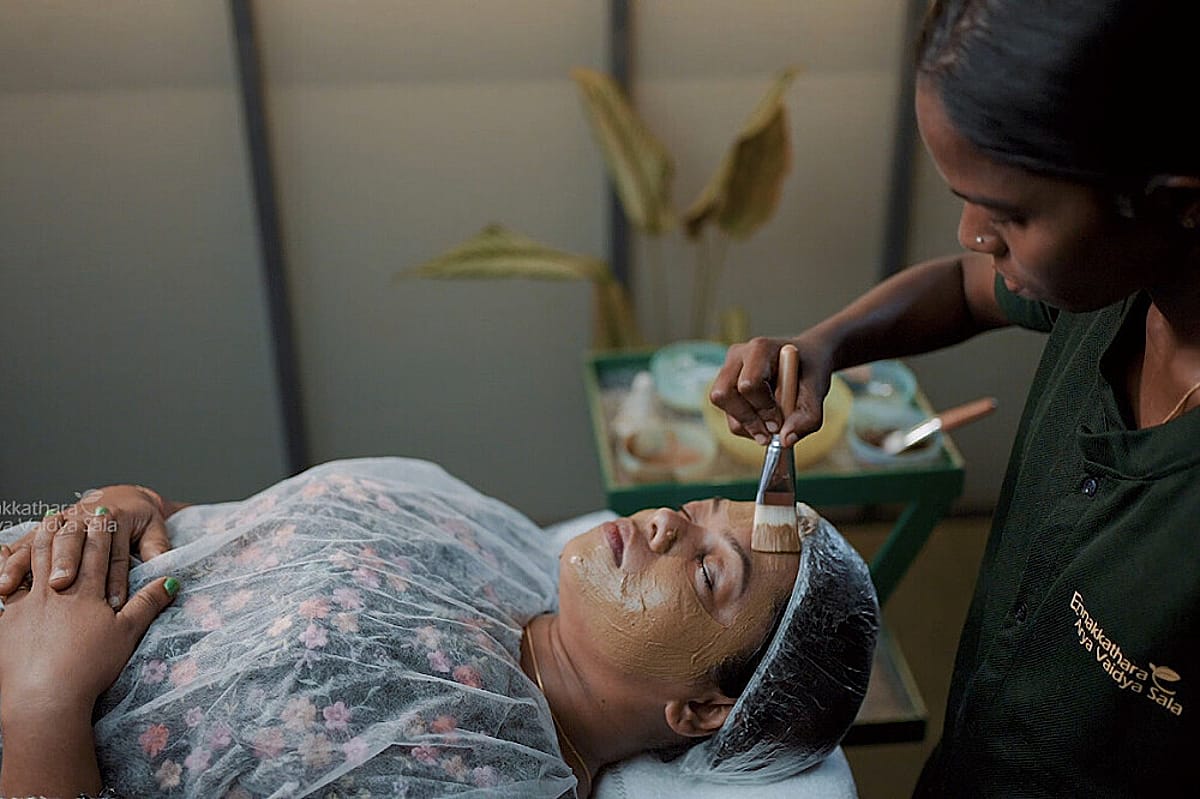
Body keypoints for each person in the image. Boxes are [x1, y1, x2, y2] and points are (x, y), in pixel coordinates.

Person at [710, 0, 1200, 795]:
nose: (973, 232)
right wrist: (827, 345)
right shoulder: (1123, 284)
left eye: (1008, 213)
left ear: (1181, 200)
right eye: (965, 197)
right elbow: (970, 288)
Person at [0, 458, 877, 798]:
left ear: (705, 709)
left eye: (711, 571)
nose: (663, 525)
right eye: (695, 507)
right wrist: (131, 502)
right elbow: (226, 517)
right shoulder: (481, 525)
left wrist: (41, 699)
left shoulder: (479, 783)